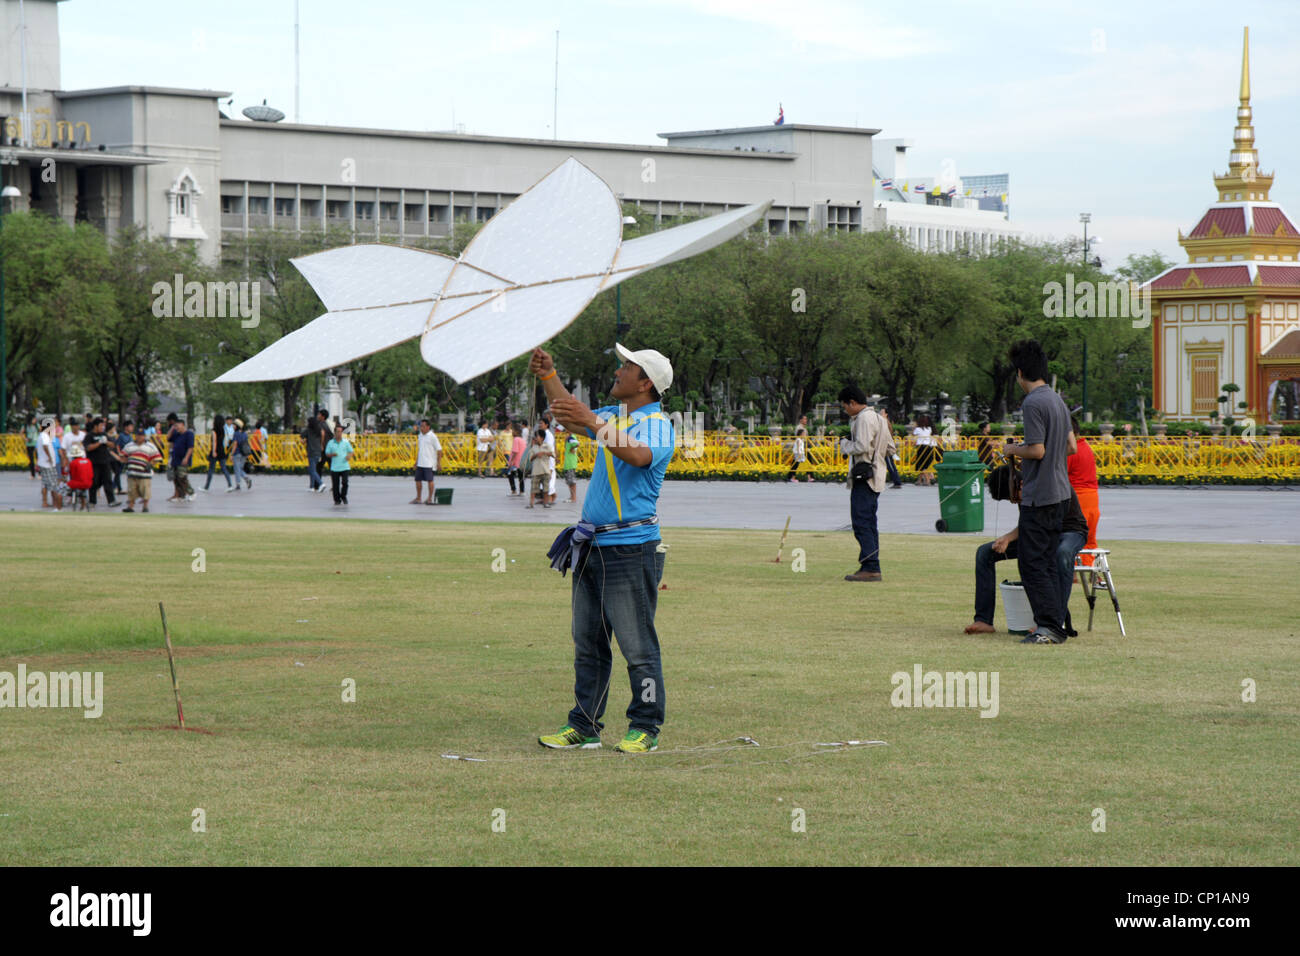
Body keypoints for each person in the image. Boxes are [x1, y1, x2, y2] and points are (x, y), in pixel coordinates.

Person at [533, 342, 676, 754]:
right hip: (592, 545)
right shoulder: (615, 416)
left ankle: (645, 727)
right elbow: (566, 410)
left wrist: (593, 421)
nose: (618, 371)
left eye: (626, 367)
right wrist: (549, 375)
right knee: (588, 643)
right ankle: (585, 726)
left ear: (645, 382)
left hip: (631, 549)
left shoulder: (656, 425)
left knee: (637, 646)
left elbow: (637, 455)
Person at [1002, 339, 1077, 645]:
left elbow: (1036, 449)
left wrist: (1011, 448)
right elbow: (1071, 446)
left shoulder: (1033, 403)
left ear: (1020, 373)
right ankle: (1056, 623)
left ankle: (1048, 627)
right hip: (1061, 492)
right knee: (1045, 562)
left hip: (1041, 495)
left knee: (1032, 563)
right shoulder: (1057, 400)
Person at [964, 465, 1088, 638]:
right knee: (985, 553)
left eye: (1012, 497)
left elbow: (1044, 522)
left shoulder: (1047, 485)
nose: (1014, 502)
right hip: (1041, 534)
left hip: (1070, 532)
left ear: (1019, 484)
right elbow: (1030, 525)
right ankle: (983, 619)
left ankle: (1054, 622)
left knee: (1062, 554)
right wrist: (1007, 539)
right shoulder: (1024, 490)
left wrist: (1009, 537)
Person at [839, 385, 893, 582]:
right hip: (877, 475)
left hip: (864, 477)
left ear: (852, 402)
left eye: (845, 406)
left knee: (861, 521)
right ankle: (871, 564)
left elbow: (861, 445)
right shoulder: (880, 418)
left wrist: (843, 445)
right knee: (869, 522)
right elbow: (891, 448)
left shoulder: (862, 418)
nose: (845, 410)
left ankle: (870, 566)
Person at [1068, 417, 1101, 566]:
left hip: (1078, 499)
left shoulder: (1071, 451)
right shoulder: (1085, 447)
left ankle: (1073, 570)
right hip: (1092, 498)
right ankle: (1088, 567)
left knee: (1072, 536)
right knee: (1089, 539)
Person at [121, 431, 162, 513]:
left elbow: (157, 458)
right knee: (131, 490)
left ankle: (145, 507)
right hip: (132, 472)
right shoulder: (129, 445)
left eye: (141, 436)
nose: (139, 437)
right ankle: (131, 507)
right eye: (138, 435)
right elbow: (123, 456)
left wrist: (150, 465)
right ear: (135, 436)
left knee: (145, 491)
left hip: (145, 473)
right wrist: (126, 463)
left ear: (144, 436)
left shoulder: (151, 446)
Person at [83, 417, 118, 508]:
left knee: (108, 481)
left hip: (105, 461)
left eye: (103, 425)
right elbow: (88, 447)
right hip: (94, 463)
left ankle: (111, 500)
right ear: (95, 426)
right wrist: (99, 443)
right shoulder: (89, 436)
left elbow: (113, 444)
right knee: (94, 482)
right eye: (101, 425)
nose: (102, 427)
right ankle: (92, 501)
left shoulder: (104, 434)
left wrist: (106, 442)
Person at [166, 413, 196, 501]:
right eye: (175, 426)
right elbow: (168, 438)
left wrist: (186, 458)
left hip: (183, 459)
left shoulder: (189, 434)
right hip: (175, 458)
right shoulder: (176, 434)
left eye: (177, 426)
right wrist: (172, 428)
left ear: (183, 425)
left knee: (182, 477)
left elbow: (191, 447)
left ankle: (191, 493)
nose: (176, 428)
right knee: (176, 478)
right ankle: (180, 496)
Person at [412, 419, 442, 504]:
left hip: (429, 463)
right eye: (420, 426)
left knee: (430, 481)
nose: (421, 428)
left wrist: (439, 463)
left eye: (423, 426)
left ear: (428, 427)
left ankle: (429, 498)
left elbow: (439, 450)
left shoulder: (433, 436)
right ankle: (418, 498)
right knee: (417, 480)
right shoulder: (420, 435)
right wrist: (416, 462)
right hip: (421, 462)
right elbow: (420, 449)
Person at [35, 418, 63, 510]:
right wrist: (50, 458)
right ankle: (56, 505)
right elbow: (45, 446)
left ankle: (45, 502)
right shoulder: (45, 436)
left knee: (45, 484)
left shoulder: (41, 436)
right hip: (47, 464)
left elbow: (37, 450)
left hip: (43, 463)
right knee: (53, 484)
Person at [324, 424, 353, 505]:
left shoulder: (345, 442)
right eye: (338, 432)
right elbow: (327, 453)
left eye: (341, 432)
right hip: (335, 467)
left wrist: (349, 456)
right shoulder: (331, 443)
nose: (339, 433)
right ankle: (337, 500)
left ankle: (343, 496)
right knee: (335, 485)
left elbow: (351, 451)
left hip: (344, 466)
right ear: (335, 433)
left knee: (345, 482)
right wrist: (332, 455)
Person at [204, 414, 233, 491]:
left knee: (211, 469)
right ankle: (230, 485)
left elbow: (214, 441)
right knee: (224, 468)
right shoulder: (223, 430)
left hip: (215, 451)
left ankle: (206, 487)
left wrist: (213, 451)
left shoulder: (214, 430)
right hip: (222, 451)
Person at [529, 427, 553, 507]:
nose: (536, 438)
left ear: (542, 438)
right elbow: (530, 459)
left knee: (546, 489)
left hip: (545, 471)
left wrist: (544, 453)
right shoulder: (534, 447)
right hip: (536, 471)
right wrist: (536, 455)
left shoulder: (547, 446)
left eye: (537, 436)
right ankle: (531, 504)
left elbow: (553, 455)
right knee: (533, 488)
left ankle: (546, 503)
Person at [301, 415, 324, 492]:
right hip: (318, 452)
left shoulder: (308, 430)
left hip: (311, 452)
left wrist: (303, 441)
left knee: (312, 470)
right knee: (312, 470)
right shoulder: (319, 430)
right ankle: (312, 487)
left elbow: (301, 436)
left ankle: (321, 483)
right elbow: (322, 435)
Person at [880, 410, 903, 488]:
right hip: (885, 446)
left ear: (886, 414)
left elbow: (886, 435)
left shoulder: (885, 422)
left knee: (890, 465)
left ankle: (897, 482)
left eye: (882, 413)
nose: (880, 414)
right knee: (889, 464)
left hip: (886, 447)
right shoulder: (884, 422)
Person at [913, 414, 937, 486]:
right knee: (925, 465)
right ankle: (920, 480)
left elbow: (914, 435)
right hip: (929, 447)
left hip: (921, 447)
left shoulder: (918, 429)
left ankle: (927, 480)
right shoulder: (929, 429)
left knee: (921, 465)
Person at [230, 418, 253, 491]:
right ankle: (246, 479)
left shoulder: (236, 434)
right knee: (239, 468)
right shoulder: (244, 434)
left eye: (234, 425)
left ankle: (238, 484)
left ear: (237, 426)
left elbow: (235, 444)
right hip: (244, 454)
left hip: (237, 453)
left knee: (237, 469)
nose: (233, 426)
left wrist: (231, 454)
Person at [505, 423, 525, 496]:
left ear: (516, 431)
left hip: (515, 462)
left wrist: (511, 462)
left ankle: (513, 490)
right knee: (520, 477)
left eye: (513, 431)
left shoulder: (516, 439)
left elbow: (515, 451)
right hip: (521, 462)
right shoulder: (522, 440)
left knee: (510, 474)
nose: (512, 432)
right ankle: (522, 491)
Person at [562, 429, 580, 503]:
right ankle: (571, 496)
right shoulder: (569, 437)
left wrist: (573, 448)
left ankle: (574, 498)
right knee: (569, 481)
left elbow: (578, 444)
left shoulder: (571, 437)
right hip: (568, 463)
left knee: (572, 481)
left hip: (571, 463)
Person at [24, 415, 38, 479]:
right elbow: (21, 433)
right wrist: (25, 438)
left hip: (36, 444)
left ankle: (40, 473)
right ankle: (33, 474)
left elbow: (42, 430)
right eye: (34, 419)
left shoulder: (37, 425)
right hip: (29, 445)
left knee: (39, 459)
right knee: (31, 460)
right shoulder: (26, 426)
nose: (35, 420)